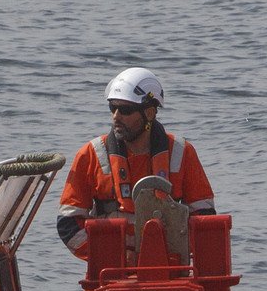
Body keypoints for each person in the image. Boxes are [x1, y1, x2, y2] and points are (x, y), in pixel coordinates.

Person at [56, 67, 217, 258]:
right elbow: (68, 225)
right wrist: (113, 256)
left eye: (125, 110)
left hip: (169, 273)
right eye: (112, 108)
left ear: (149, 113)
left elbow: (204, 218)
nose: (116, 116)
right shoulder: (90, 154)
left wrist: (166, 256)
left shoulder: (182, 152)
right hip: (109, 275)